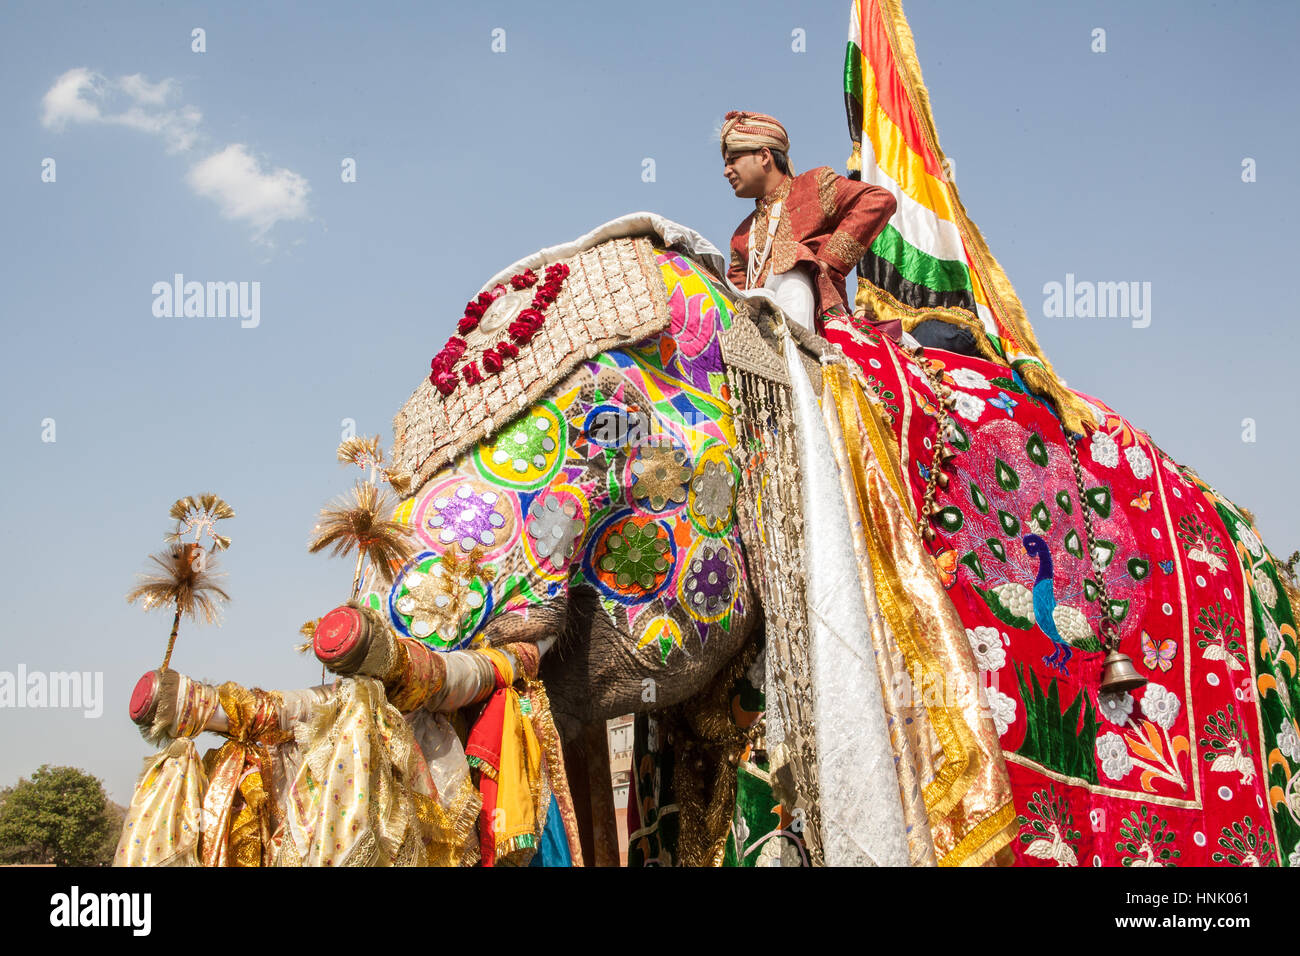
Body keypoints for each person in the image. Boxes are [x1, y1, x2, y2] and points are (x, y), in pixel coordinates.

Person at [721, 110, 898, 338]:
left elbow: (879, 200)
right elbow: (733, 297)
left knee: (795, 266)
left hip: (820, 318)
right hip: (762, 327)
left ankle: (800, 358)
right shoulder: (741, 236)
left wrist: (825, 263)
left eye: (733, 160)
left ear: (764, 156)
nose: (726, 172)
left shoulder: (815, 185)